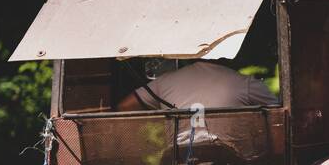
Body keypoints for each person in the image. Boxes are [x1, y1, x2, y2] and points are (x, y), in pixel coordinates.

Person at [116, 60, 278, 111]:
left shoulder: (165, 81)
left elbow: (124, 106)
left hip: (177, 162)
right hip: (231, 162)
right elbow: (278, 110)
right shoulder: (243, 82)